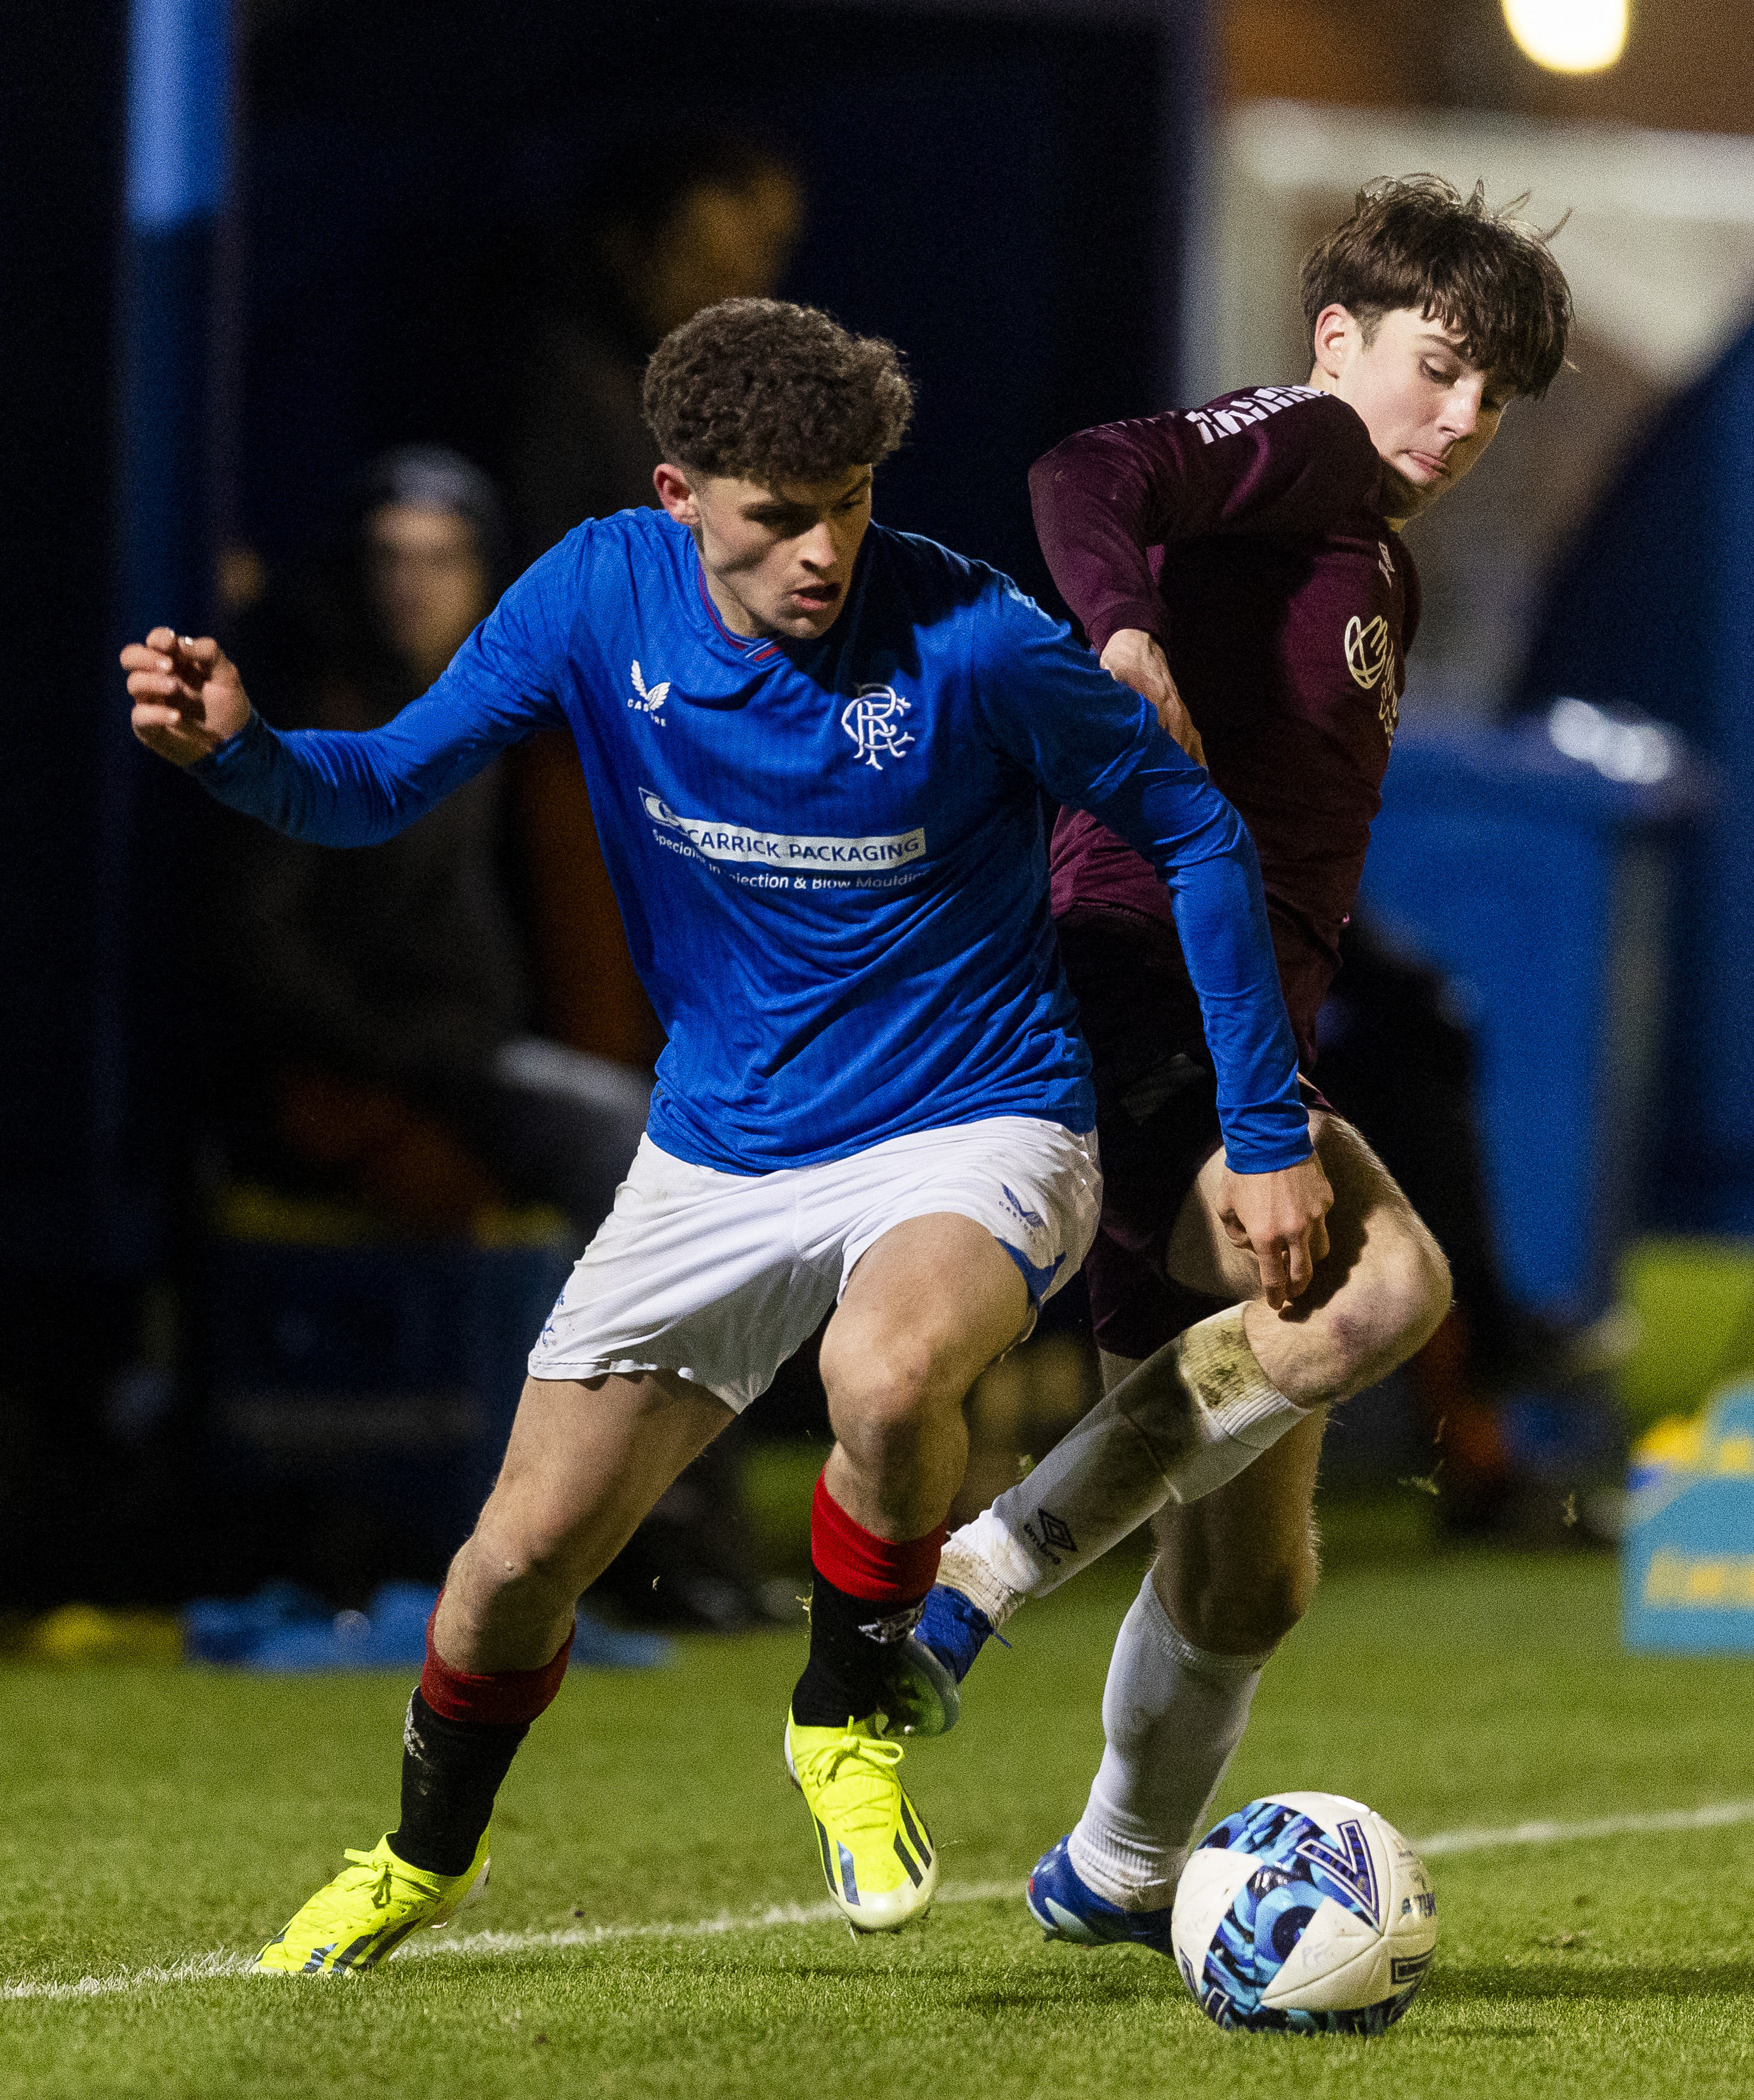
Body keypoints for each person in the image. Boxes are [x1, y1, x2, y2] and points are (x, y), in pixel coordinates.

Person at [125, 298, 1330, 1970]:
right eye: (777, 515)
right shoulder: (592, 592)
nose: (822, 548)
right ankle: (420, 1858)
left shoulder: (970, 641)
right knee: (508, 1571)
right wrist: (240, 754)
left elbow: (1194, 829)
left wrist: (1264, 1128)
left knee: (892, 1375)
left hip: (973, 1120)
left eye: (846, 500)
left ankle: (845, 1708)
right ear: (679, 491)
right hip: (716, 1150)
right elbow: (378, 785)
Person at [886, 176, 1574, 1950]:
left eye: (1494, 398)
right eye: (1437, 367)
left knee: (1249, 1569)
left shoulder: (1374, 558)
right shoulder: (1310, 449)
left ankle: (1111, 1874)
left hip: (1221, 1032)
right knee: (1383, 1286)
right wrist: (1118, 632)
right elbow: (1082, 472)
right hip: (1141, 999)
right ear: (1333, 340)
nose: (1459, 419)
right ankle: (980, 1564)